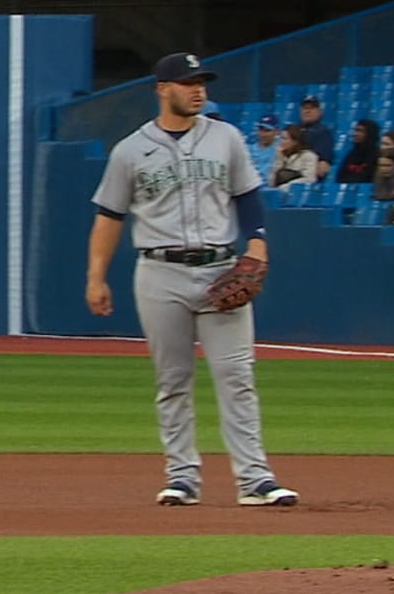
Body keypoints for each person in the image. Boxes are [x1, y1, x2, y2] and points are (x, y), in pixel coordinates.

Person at [85, 51, 298, 508]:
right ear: (162, 89)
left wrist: (257, 241)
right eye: (187, 82)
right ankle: (182, 478)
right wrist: (96, 276)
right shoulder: (130, 150)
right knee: (173, 379)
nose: (198, 89)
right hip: (159, 271)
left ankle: (255, 479)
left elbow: (248, 197)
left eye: (202, 81)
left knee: (236, 376)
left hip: (221, 267)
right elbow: (109, 216)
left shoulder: (226, 138)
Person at [297, 94, 335, 181]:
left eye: (311, 108)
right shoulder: (295, 130)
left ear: (319, 112)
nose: (307, 111)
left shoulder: (323, 132)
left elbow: (323, 164)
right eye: (305, 108)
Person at [270, 124, 318, 189]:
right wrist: (279, 159)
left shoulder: (309, 156)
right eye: (281, 138)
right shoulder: (281, 155)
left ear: (295, 142)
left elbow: (309, 179)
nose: (281, 142)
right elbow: (271, 182)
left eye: (285, 139)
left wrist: (286, 186)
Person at [334, 118, 380, 185]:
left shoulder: (377, 155)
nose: (355, 134)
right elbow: (340, 176)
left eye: (360, 131)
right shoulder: (351, 154)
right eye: (355, 130)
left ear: (370, 133)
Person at [248, 113, 280, 182]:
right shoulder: (249, 149)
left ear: (276, 131)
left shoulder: (280, 149)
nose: (263, 134)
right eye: (260, 130)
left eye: (267, 130)